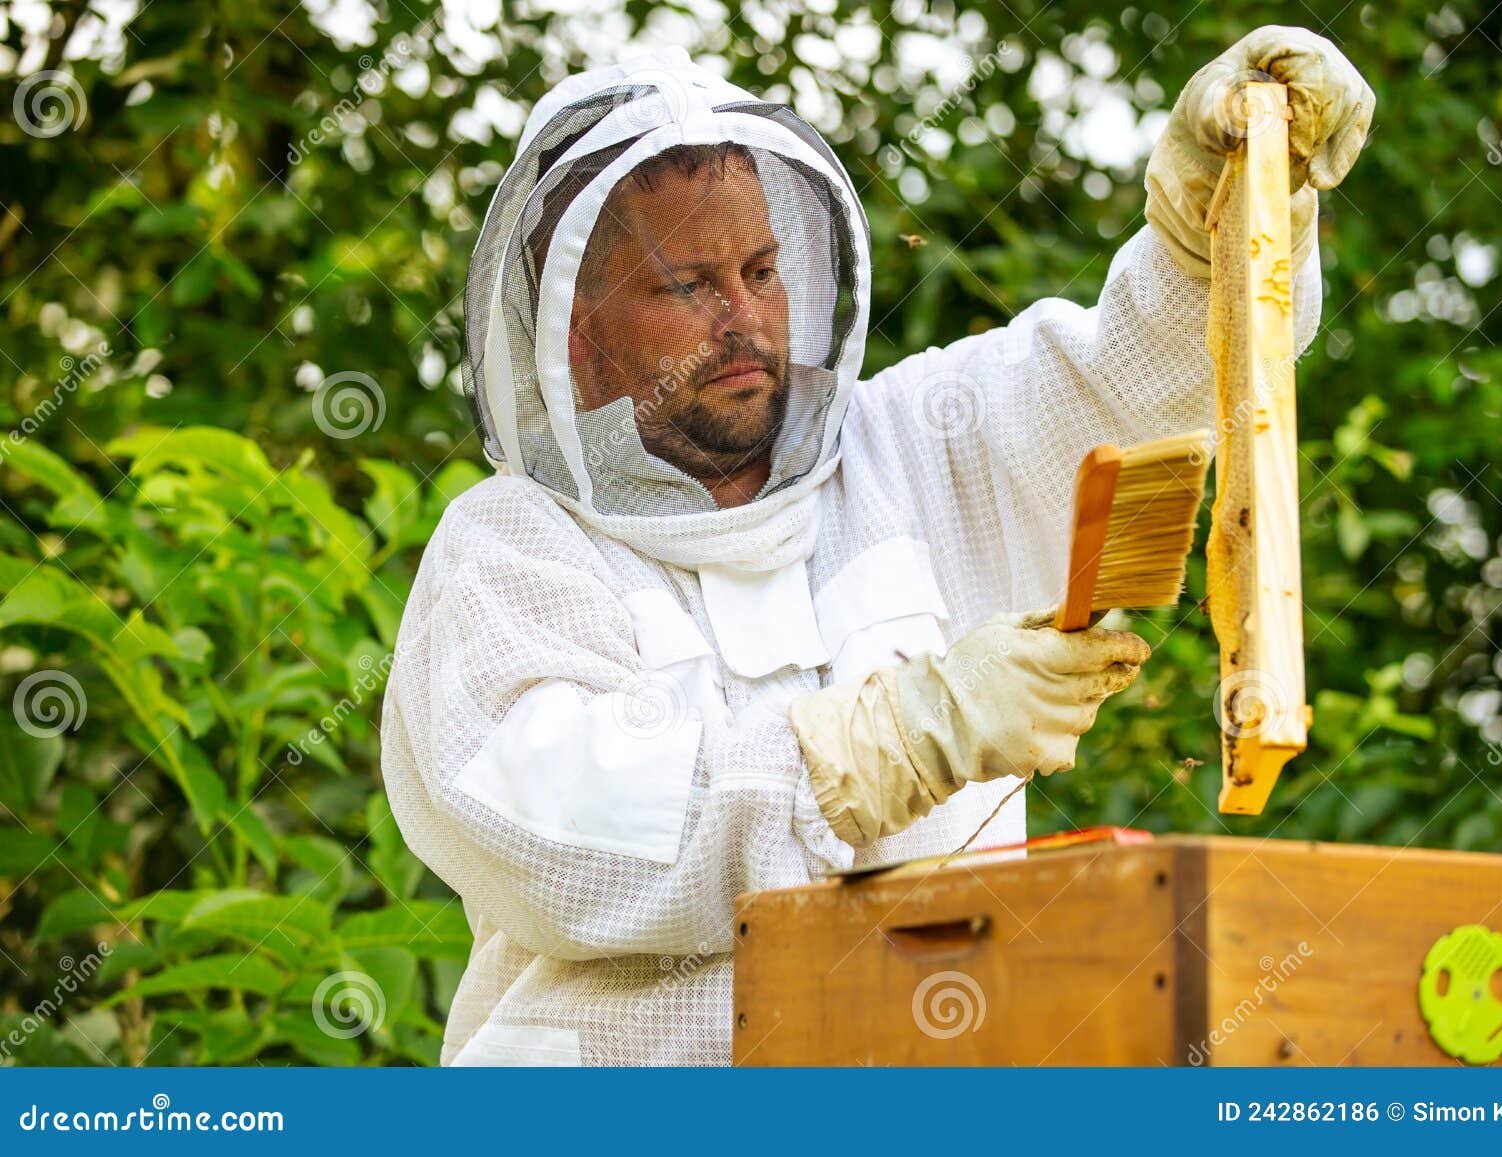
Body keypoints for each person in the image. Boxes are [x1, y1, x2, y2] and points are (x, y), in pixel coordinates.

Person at [380, 27, 1374, 1066]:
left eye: (763, 269)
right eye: (688, 284)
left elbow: (1144, 379)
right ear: (578, 332)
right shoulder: (512, 547)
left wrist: (1217, 209)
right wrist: (894, 739)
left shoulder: (911, 445)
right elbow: (562, 836)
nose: (743, 317)